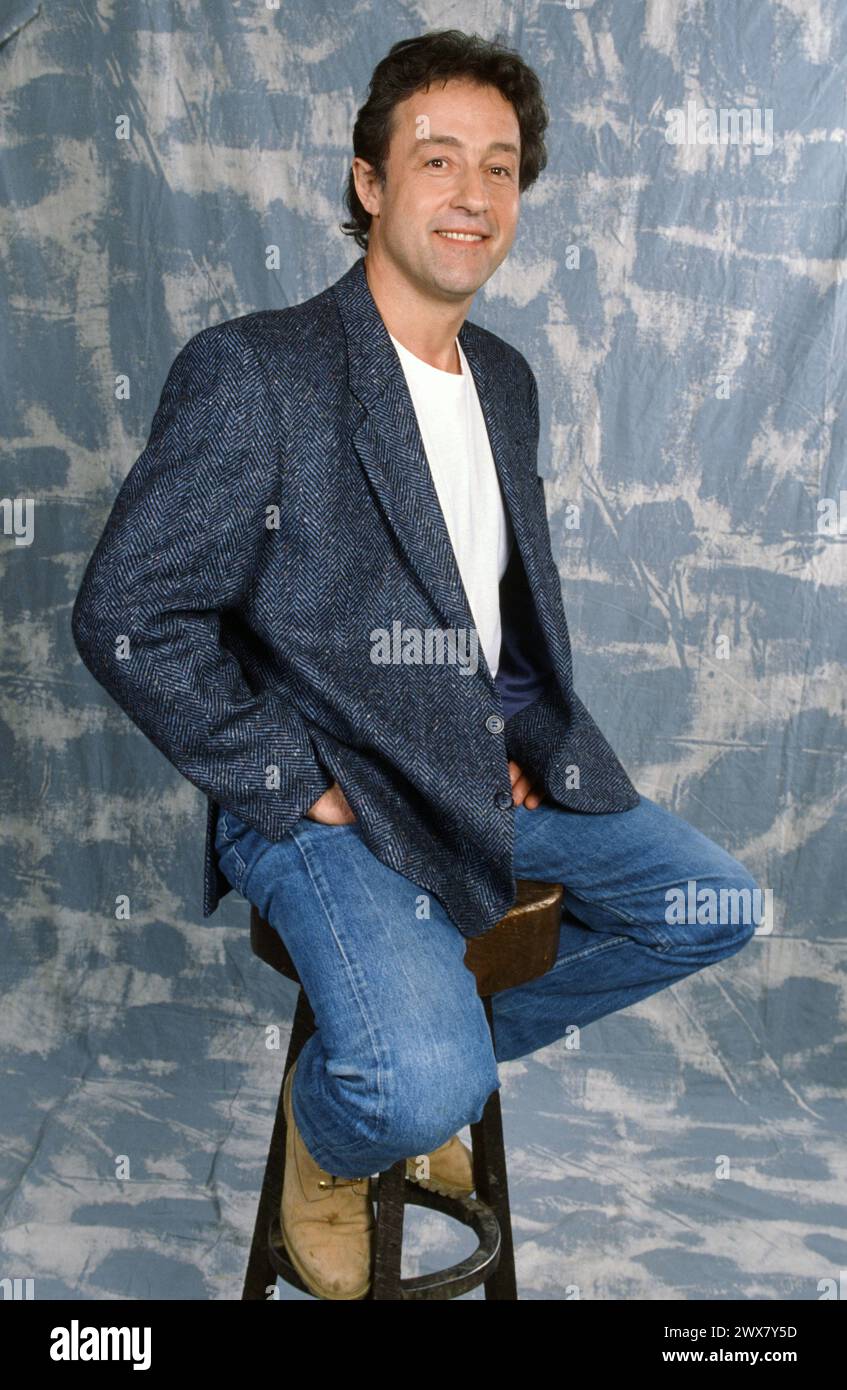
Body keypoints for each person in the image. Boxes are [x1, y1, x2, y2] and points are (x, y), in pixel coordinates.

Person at [72, 30, 762, 1300]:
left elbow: (480, 602)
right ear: (369, 186)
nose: (473, 194)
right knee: (406, 1082)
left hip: (474, 779)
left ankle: (433, 1068)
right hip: (326, 803)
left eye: (500, 168)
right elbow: (125, 613)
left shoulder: (502, 379)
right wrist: (291, 780)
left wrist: (510, 735)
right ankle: (339, 1130)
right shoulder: (256, 370)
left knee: (712, 906)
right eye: (436, 160)